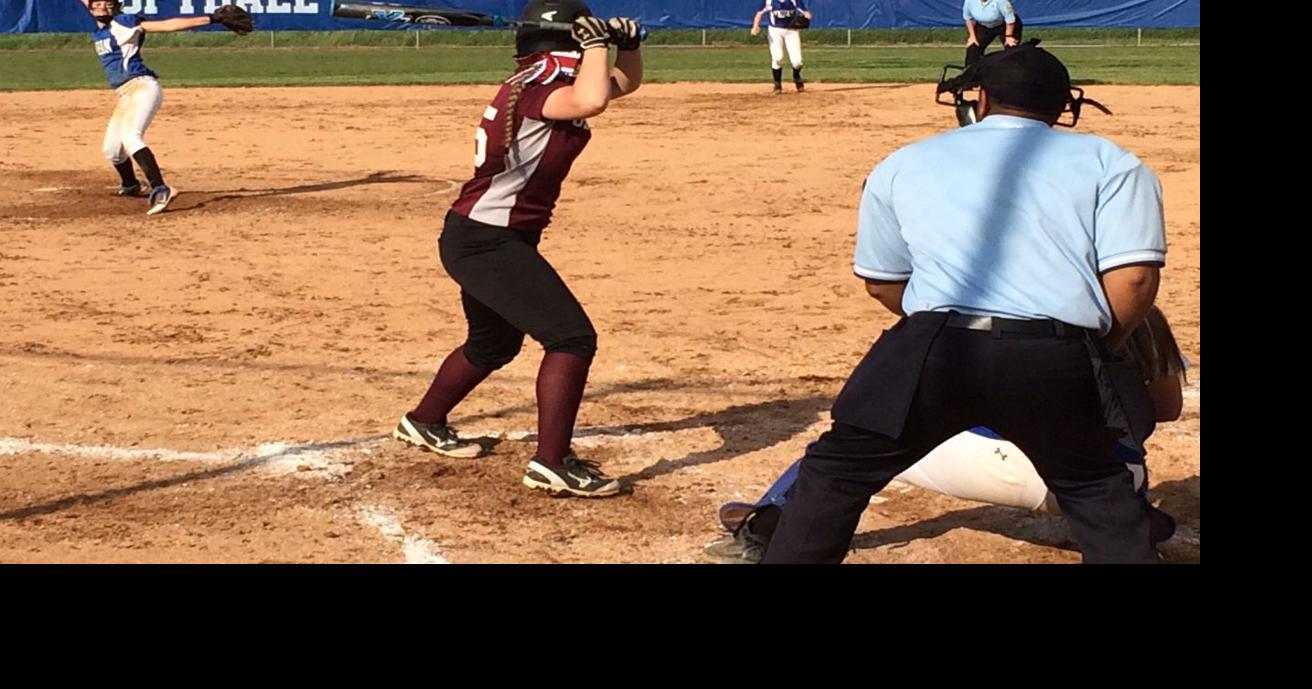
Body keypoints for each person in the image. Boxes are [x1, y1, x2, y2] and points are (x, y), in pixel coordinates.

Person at [761, 43, 1168, 564]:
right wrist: (1098, 345)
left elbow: (882, 284)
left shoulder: (906, 160)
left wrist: (936, 325)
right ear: (1064, 105)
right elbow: (1134, 280)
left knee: (837, 471)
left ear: (982, 98)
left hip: (933, 349)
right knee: (1096, 489)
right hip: (1053, 352)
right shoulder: (1113, 163)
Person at [391, 0, 643, 499]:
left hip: (487, 236)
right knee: (571, 338)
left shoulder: (541, 80)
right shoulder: (542, 90)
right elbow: (592, 100)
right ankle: (552, 463)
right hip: (487, 241)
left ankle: (424, 421)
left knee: (493, 345)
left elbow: (620, 83)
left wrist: (626, 45)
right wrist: (596, 43)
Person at [705, 307, 1187, 564]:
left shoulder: (964, 306)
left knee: (850, 449)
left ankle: (762, 528)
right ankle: (1137, 530)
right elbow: (1164, 411)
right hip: (1082, 483)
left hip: (960, 461)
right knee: (1113, 458)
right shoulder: (1141, 312)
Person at [79, 1, 251, 215]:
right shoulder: (101, 29)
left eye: (108, 4)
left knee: (131, 137)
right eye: (97, 3)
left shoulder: (124, 23)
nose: (102, 7)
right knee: (112, 150)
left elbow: (168, 25)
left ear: (115, 7)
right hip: (125, 94)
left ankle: (161, 188)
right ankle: (131, 185)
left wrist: (211, 19)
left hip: (142, 87)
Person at [750, 0, 813, 94]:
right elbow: (759, 13)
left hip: (792, 31)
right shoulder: (769, 1)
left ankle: (796, 76)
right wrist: (755, 26)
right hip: (775, 31)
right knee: (777, 58)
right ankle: (777, 84)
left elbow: (806, 13)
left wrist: (807, 16)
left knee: (797, 62)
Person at [964, 0, 1022, 66]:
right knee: (973, 47)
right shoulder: (969, 1)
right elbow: (969, 19)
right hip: (983, 26)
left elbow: (1010, 19)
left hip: (1006, 25)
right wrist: (972, 37)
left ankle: (1015, 68)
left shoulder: (1002, 1)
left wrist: (1009, 36)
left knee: (1011, 47)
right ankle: (970, 70)